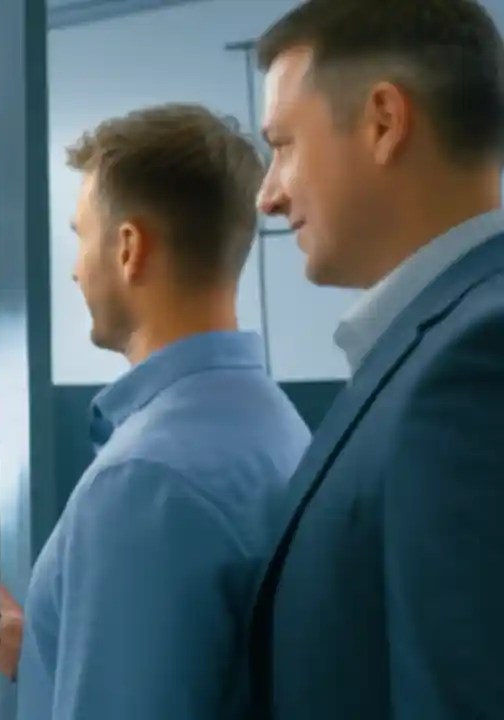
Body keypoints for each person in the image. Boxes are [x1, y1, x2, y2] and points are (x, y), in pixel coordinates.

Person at [0, 103, 311, 718]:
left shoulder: (144, 480)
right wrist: (43, 646)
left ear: (128, 248)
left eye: (81, 236)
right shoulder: (272, 423)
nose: (76, 270)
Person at [250, 1, 504, 718]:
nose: (268, 195)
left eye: (284, 145)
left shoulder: (472, 365)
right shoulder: (435, 345)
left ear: (384, 122)